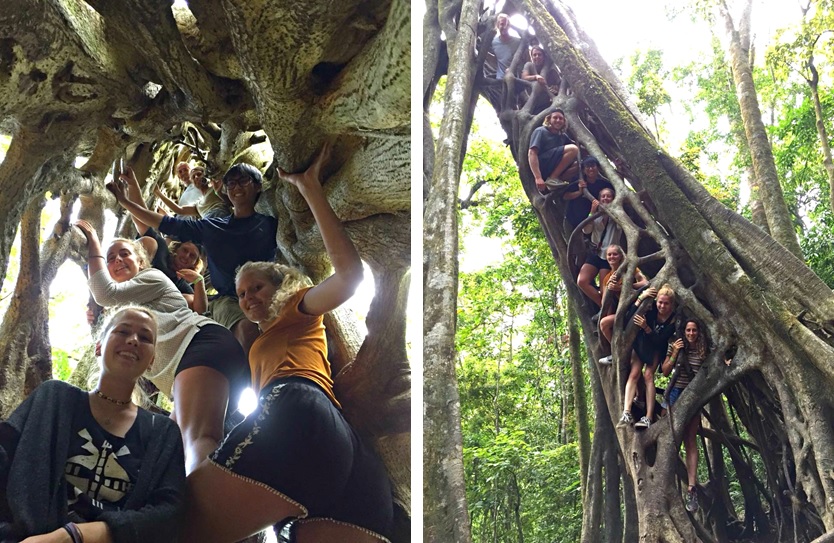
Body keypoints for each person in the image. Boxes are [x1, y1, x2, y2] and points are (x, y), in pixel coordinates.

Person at [182, 144, 393, 543]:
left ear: (281, 285)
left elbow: (349, 276)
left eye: (256, 287)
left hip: (296, 409)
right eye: (241, 294)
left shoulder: (297, 307)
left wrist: (310, 189)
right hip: (343, 452)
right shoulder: (263, 335)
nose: (247, 299)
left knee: (181, 525)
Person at [76, 221, 249, 475]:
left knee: (197, 440)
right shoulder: (125, 308)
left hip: (199, 345)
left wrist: (94, 243)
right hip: (192, 362)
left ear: (141, 262)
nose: (117, 260)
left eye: (124, 254)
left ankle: (206, 500)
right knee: (174, 451)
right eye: (110, 258)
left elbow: (104, 293)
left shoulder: (151, 277)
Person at [0, 307, 185, 543]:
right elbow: (5, 451)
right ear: (98, 346)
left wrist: (75, 536)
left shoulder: (163, 433)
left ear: (152, 361)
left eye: (145, 337)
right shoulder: (53, 399)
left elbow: (168, 513)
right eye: (123, 331)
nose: (133, 340)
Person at [107, 162, 278, 355]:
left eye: (243, 181)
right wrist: (126, 199)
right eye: (231, 183)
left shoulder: (271, 224)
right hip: (228, 299)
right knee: (247, 331)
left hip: (267, 291)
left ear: (257, 186)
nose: (236, 187)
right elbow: (159, 222)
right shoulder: (207, 230)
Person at [120, 166, 206, 312]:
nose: (186, 256)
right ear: (176, 249)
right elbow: (142, 217)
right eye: (185, 250)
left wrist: (199, 281)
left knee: (189, 299)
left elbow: (200, 310)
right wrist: (133, 185)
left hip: (151, 310)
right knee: (149, 242)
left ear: (194, 264)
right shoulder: (160, 250)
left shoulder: (182, 285)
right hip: (131, 287)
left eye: (192, 256)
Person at [661, 318, 707, 513]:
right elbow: (665, 372)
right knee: (668, 438)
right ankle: (664, 485)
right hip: (674, 393)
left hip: (694, 395)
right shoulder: (675, 344)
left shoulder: (704, 348)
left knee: (690, 440)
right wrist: (675, 353)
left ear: (699, 331)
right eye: (688, 330)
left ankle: (691, 488)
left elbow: (714, 364)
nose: (691, 334)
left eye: (694, 330)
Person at [619, 284, 678, 429]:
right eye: (660, 302)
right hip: (642, 344)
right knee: (634, 374)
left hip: (656, 349)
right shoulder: (651, 309)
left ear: (671, 304)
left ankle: (649, 417)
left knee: (648, 376)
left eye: (666, 303)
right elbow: (629, 318)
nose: (662, 306)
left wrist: (646, 327)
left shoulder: (673, 320)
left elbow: (660, 340)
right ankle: (626, 412)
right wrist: (641, 297)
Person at [597, 244, 647, 360]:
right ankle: (618, 351)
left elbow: (645, 283)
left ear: (620, 256)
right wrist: (608, 287)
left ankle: (617, 352)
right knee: (604, 324)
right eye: (609, 254)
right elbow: (604, 303)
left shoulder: (630, 269)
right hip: (623, 311)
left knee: (604, 323)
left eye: (615, 254)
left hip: (636, 308)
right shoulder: (607, 277)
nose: (612, 257)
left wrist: (623, 287)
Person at [576, 187, 622, 308]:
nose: (605, 198)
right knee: (582, 281)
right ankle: (602, 307)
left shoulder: (617, 215)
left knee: (605, 290)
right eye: (603, 196)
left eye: (608, 196)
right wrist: (592, 212)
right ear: (599, 199)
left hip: (609, 257)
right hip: (595, 253)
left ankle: (607, 311)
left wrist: (612, 212)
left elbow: (621, 226)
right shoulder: (595, 216)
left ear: (613, 199)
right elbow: (586, 230)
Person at [528, 109, 580, 193]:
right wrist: (538, 177)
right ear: (549, 119)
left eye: (561, 118)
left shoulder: (562, 136)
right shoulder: (540, 131)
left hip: (553, 167)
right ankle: (552, 179)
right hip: (543, 166)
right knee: (573, 149)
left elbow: (576, 147)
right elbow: (532, 153)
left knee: (580, 164)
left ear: (564, 121)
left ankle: (554, 182)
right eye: (555, 118)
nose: (558, 120)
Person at [154, 165, 231, 220]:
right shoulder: (198, 205)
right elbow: (179, 210)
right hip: (207, 225)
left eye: (199, 174)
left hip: (221, 217)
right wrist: (158, 193)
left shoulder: (215, 188)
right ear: (192, 183)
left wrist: (219, 193)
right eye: (193, 177)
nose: (196, 177)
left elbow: (232, 203)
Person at [563, 156, 615, 229]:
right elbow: (565, 196)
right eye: (587, 166)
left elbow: (616, 194)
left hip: (594, 223)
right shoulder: (578, 181)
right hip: (574, 221)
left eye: (593, 166)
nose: (591, 169)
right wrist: (579, 192)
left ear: (598, 168)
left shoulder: (604, 184)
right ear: (583, 170)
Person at [491, 13, 520, 80]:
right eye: (502, 24)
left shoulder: (517, 42)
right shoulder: (494, 43)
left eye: (507, 24)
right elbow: (496, 59)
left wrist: (512, 69)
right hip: (499, 79)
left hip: (515, 79)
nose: (504, 27)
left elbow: (524, 60)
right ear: (497, 25)